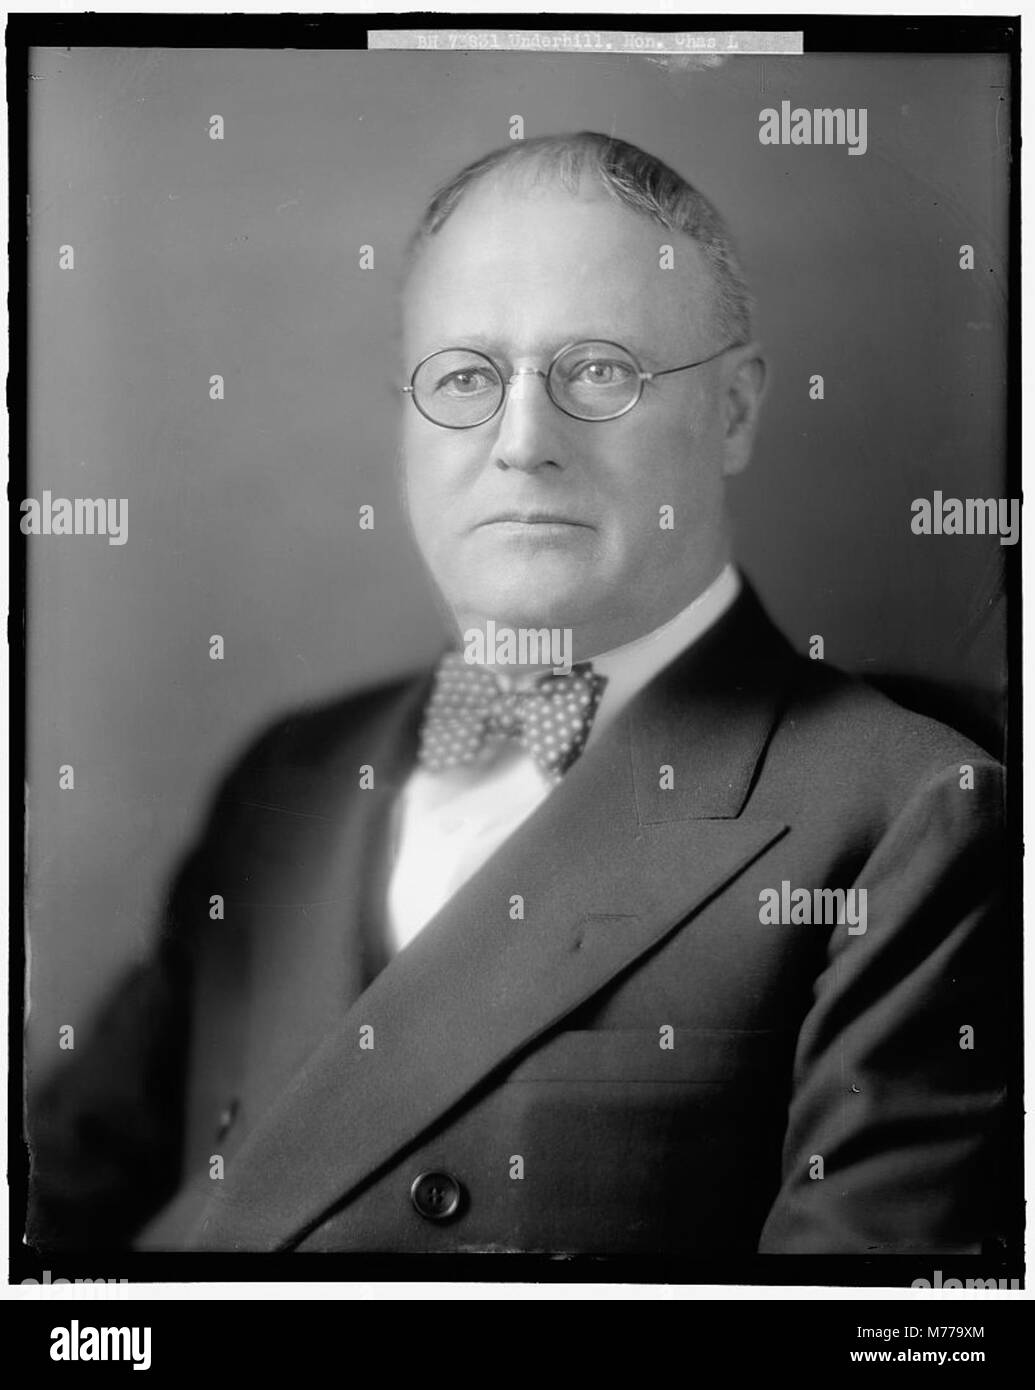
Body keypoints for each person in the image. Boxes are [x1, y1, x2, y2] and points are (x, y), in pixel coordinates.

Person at [27, 132, 1007, 1258]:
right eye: (463, 377)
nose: (521, 442)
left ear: (734, 412)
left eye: (599, 370)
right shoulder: (289, 774)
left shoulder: (916, 816)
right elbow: (58, 1208)